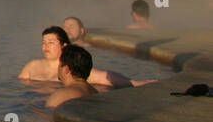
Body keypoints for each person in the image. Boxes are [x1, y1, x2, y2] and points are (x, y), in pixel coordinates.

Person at [19, 26, 153, 87]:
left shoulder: (73, 67)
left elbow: (104, 76)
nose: (45, 47)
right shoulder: (32, 65)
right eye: (43, 43)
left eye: (51, 43)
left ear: (64, 45)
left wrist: (136, 83)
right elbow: (19, 86)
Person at [47, 44, 98, 108]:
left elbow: (48, 116)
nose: (58, 68)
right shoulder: (96, 93)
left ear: (66, 69)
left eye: (59, 64)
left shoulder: (61, 96)